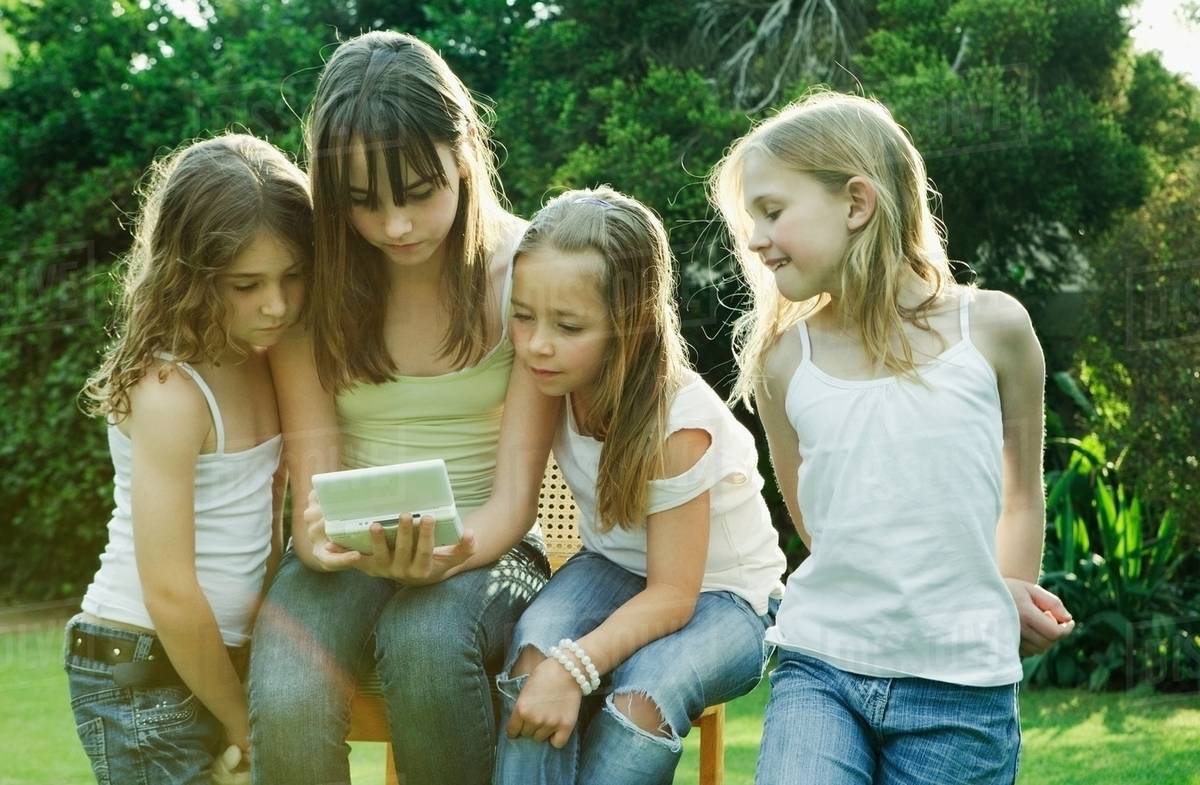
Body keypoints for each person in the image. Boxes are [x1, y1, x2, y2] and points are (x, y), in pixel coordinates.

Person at [709, 90, 1076, 784]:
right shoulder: (784, 362)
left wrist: (1010, 589)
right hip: (822, 665)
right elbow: (820, 524)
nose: (754, 240)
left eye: (772, 211)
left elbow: (1021, 494)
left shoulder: (995, 330)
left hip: (962, 685)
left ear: (856, 202)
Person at [247, 31, 558, 785]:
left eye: (418, 192)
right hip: (349, 550)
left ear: (464, 153)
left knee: (424, 644)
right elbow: (313, 477)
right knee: (288, 685)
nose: (396, 226)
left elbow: (517, 499)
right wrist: (316, 542)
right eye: (364, 203)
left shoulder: (527, 271)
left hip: (488, 545)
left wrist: (451, 550)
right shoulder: (311, 287)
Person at [493, 187, 787, 785]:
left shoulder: (677, 425)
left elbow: (674, 596)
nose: (537, 344)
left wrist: (574, 667)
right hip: (612, 566)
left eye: (568, 325)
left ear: (628, 324)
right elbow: (507, 504)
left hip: (725, 596)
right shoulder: (547, 375)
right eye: (523, 317)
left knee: (647, 693)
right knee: (532, 655)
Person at [67, 133, 312, 785]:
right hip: (138, 669)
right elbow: (171, 589)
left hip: (210, 663)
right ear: (189, 275)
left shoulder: (262, 358)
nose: (276, 304)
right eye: (246, 284)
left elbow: (267, 521)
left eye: (292, 276)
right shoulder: (169, 389)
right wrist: (242, 719)